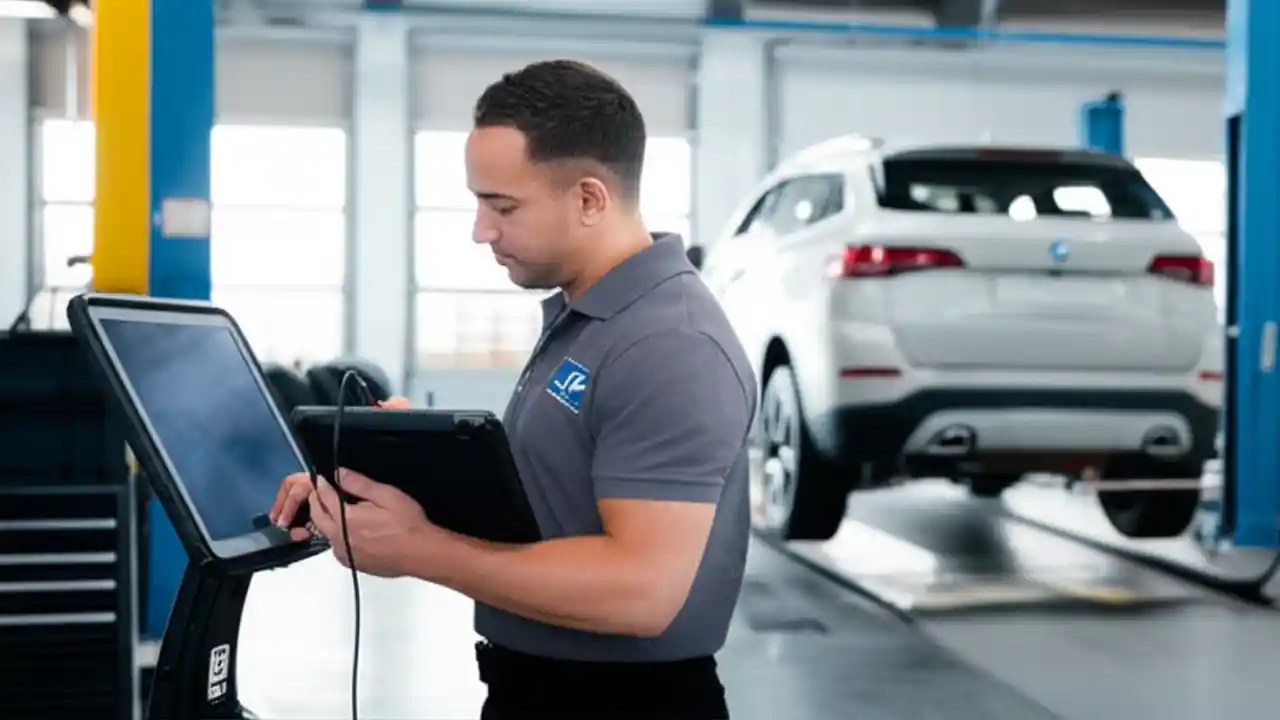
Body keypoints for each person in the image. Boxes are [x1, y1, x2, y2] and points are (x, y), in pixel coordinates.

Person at [268, 59, 756, 719]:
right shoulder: (587, 321)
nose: (481, 230)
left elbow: (639, 591)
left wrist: (420, 550)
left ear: (589, 199)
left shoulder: (670, 344)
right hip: (537, 689)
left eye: (502, 206)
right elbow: (557, 505)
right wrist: (405, 470)